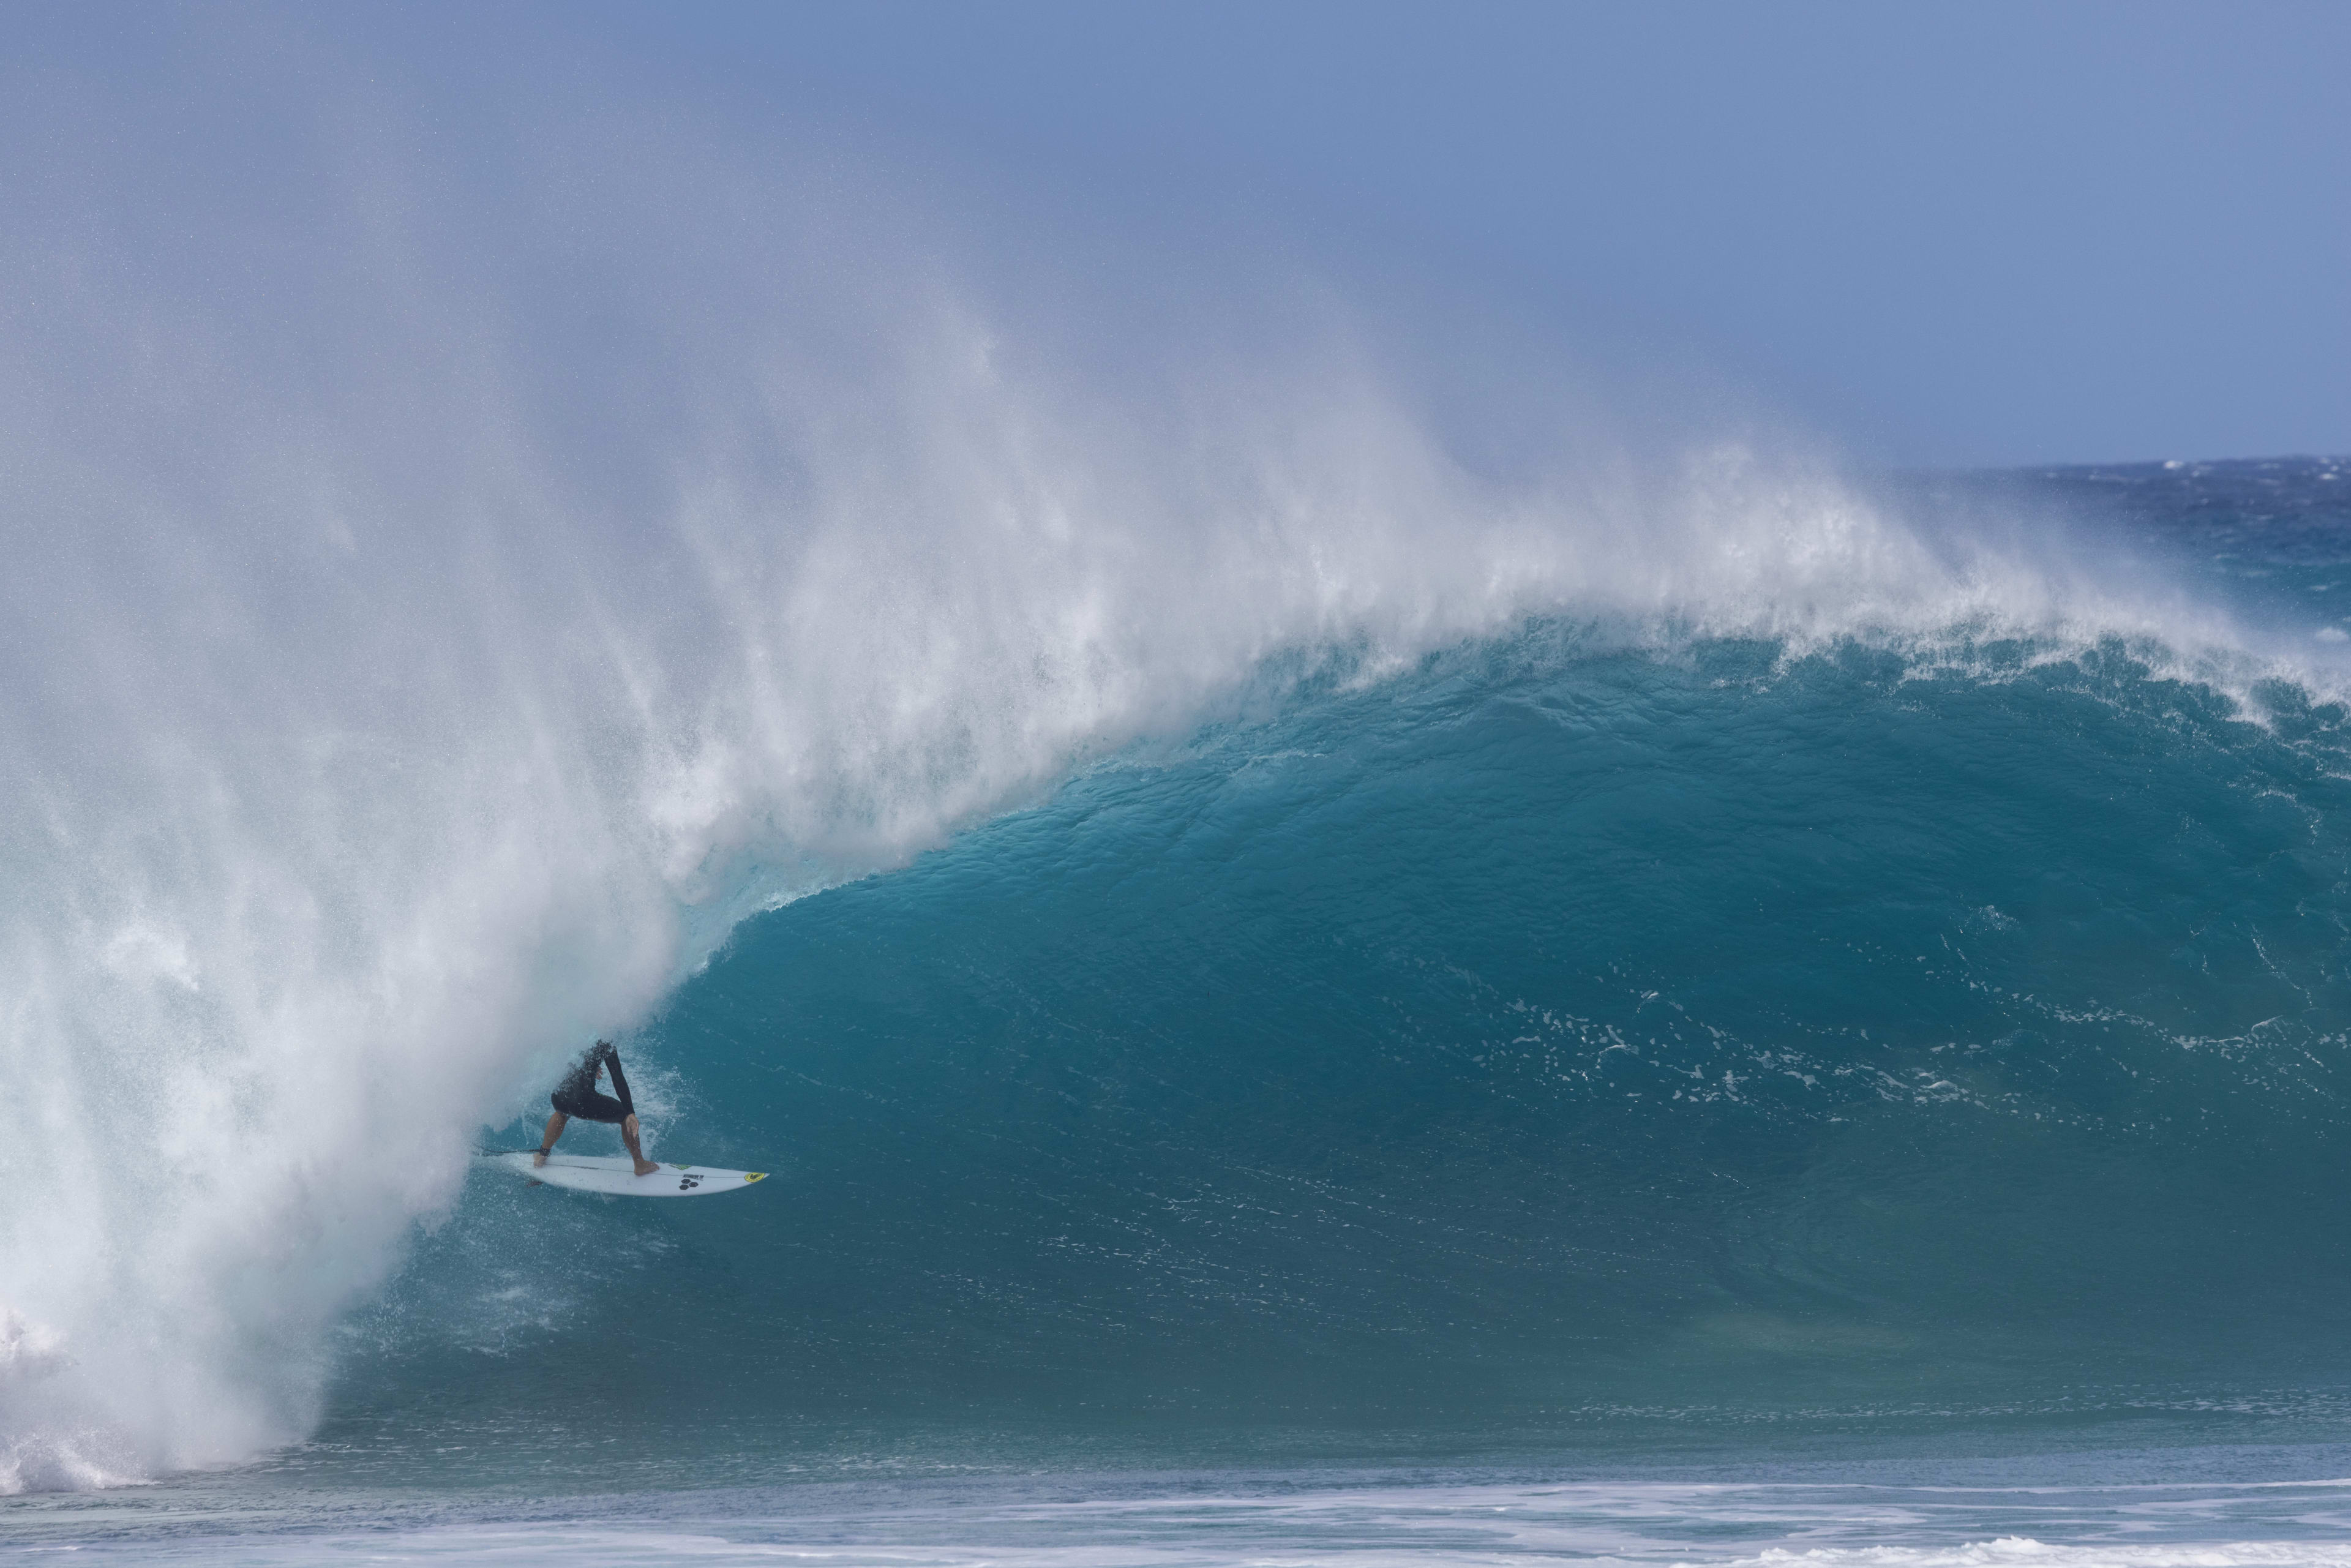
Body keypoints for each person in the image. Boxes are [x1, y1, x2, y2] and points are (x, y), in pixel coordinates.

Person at [535, 1039, 658, 1176]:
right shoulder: (606, 1038)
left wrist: (590, 1066)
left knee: (562, 1113)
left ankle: (542, 1155)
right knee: (625, 1116)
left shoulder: (575, 1027)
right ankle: (640, 1164)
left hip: (558, 1097)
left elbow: (568, 1056)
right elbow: (617, 1077)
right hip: (581, 1102)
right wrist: (630, 1112)